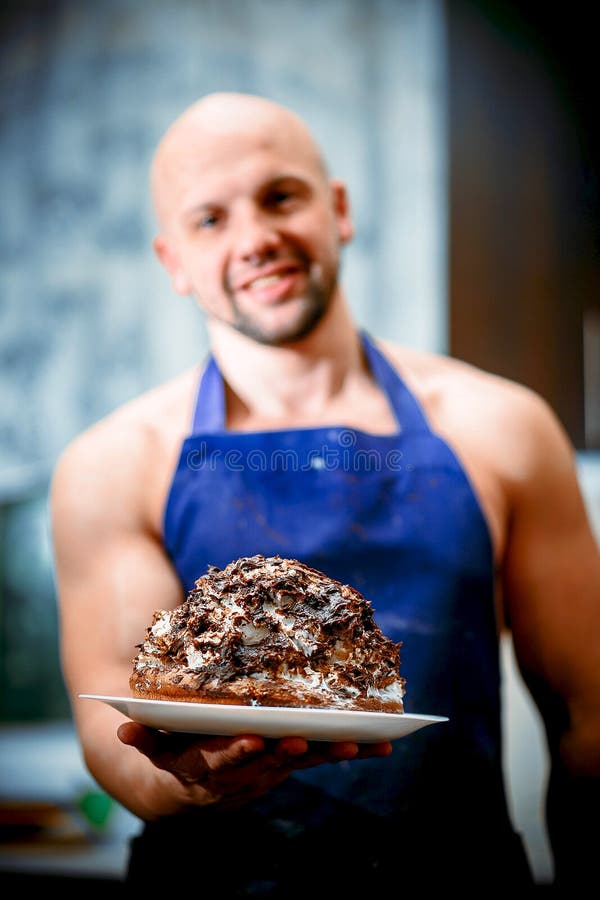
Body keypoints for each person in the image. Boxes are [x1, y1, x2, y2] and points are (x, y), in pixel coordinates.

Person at [50, 92, 600, 896]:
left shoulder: (502, 428)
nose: (255, 239)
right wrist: (187, 785)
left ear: (336, 209)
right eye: (211, 219)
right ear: (174, 261)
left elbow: (589, 721)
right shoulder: (113, 463)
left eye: (281, 197)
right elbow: (109, 722)